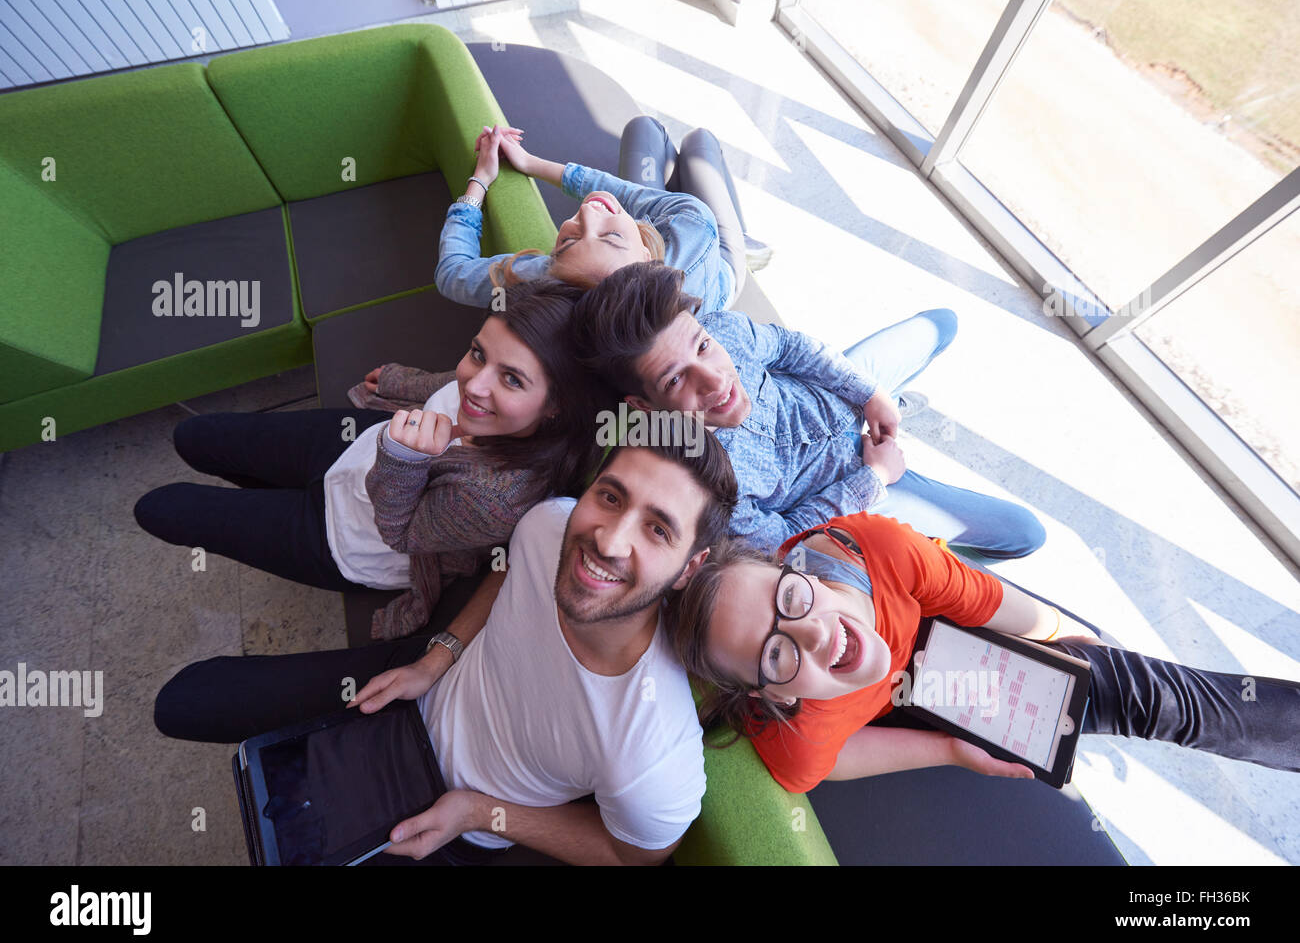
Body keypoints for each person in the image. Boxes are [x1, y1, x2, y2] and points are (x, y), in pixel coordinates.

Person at [154, 427, 740, 865]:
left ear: (689, 568)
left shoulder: (656, 750)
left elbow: (630, 855)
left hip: (462, 820)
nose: (609, 540)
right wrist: (438, 656)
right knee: (186, 704)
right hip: (414, 693)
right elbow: (512, 571)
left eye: (657, 529)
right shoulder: (550, 525)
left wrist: (481, 813)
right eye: (610, 497)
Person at [668, 511, 1300, 794]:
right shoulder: (795, 736)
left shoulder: (882, 549)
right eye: (776, 655)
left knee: (1139, 693)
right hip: (924, 693)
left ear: (791, 571)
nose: (814, 634)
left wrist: (1065, 635)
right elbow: (832, 760)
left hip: (937, 609)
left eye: (793, 601)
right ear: (770, 693)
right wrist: (946, 750)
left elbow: (999, 605)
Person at [134, 280, 607, 641]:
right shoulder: (483, 390)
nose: (477, 385)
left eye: (513, 380)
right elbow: (453, 382)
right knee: (195, 436)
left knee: (164, 509)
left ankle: (279, 507)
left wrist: (403, 459)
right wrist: (403, 382)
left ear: (556, 406)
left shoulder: (493, 498)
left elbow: (398, 532)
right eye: (478, 353)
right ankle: (271, 499)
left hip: (348, 536)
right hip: (355, 447)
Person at [570, 261, 1046, 558]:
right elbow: (784, 541)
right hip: (851, 480)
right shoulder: (701, 486)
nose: (716, 381)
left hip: (839, 400)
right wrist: (874, 479)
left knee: (943, 323)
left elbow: (793, 349)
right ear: (644, 406)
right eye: (676, 380)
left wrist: (868, 393)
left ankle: (895, 401)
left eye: (703, 348)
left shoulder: (723, 330)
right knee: (1025, 534)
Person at [435, 116, 766, 314]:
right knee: (699, 143)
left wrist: (490, 175)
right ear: (648, 255)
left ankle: (659, 201)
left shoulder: (552, 276)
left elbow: (452, 274)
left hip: (654, 224)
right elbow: (621, 196)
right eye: (611, 236)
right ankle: (743, 241)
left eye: (569, 240)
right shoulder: (694, 228)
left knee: (644, 127)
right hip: (719, 265)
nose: (588, 213)